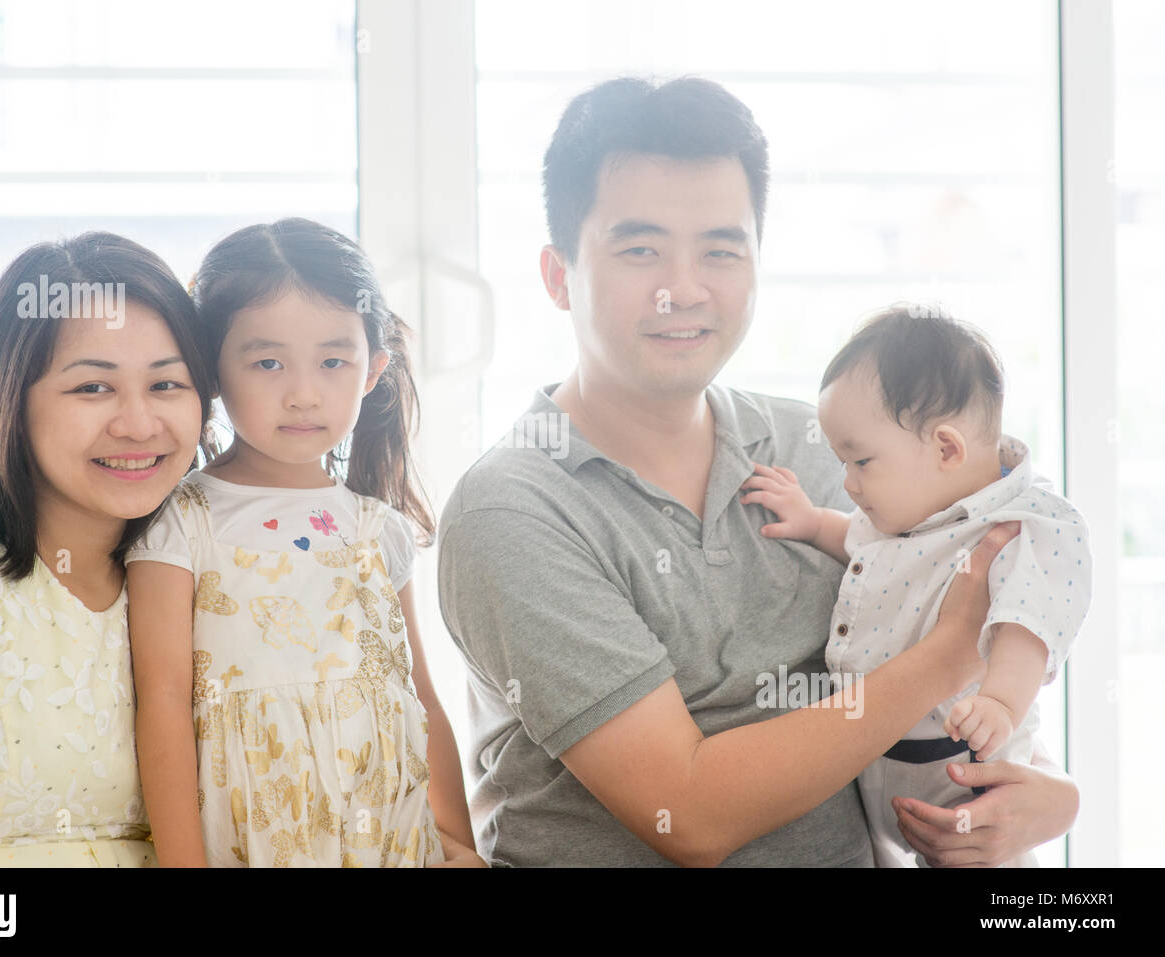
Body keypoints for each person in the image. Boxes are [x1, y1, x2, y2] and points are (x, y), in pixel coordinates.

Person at [436, 76, 1080, 867]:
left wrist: (1046, 794)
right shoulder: (512, 511)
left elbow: (990, 621)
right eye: (641, 250)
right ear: (557, 274)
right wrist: (948, 655)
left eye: (721, 249)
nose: (685, 288)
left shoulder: (823, 446)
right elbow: (689, 813)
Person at [126, 218, 481, 867]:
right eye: (267, 362)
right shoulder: (182, 521)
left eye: (332, 360)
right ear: (211, 369)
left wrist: (455, 840)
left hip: (393, 841)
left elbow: (420, 697)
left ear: (373, 367)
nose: (303, 392)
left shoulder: (380, 529)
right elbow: (163, 705)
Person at [0, 232, 215, 866]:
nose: (138, 424)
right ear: (11, 401)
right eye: (92, 389)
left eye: (167, 385)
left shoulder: (199, 573)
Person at [739, 305, 1092, 866]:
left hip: (961, 769)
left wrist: (1000, 701)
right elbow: (858, 543)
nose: (848, 484)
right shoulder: (909, 511)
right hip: (878, 765)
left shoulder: (1024, 526)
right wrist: (811, 521)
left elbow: (1027, 624)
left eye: (860, 462)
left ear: (946, 449)